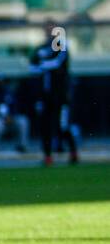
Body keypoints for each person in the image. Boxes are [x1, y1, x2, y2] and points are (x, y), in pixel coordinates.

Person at [30, 22, 77, 166]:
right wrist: (41, 64)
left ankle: (73, 153)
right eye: (47, 29)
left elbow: (57, 63)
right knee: (45, 126)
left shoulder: (60, 45)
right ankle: (48, 156)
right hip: (46, 96)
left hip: (60, 96)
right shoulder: (41, 48)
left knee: (62, 125)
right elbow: (32, 67)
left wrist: (43, 63)